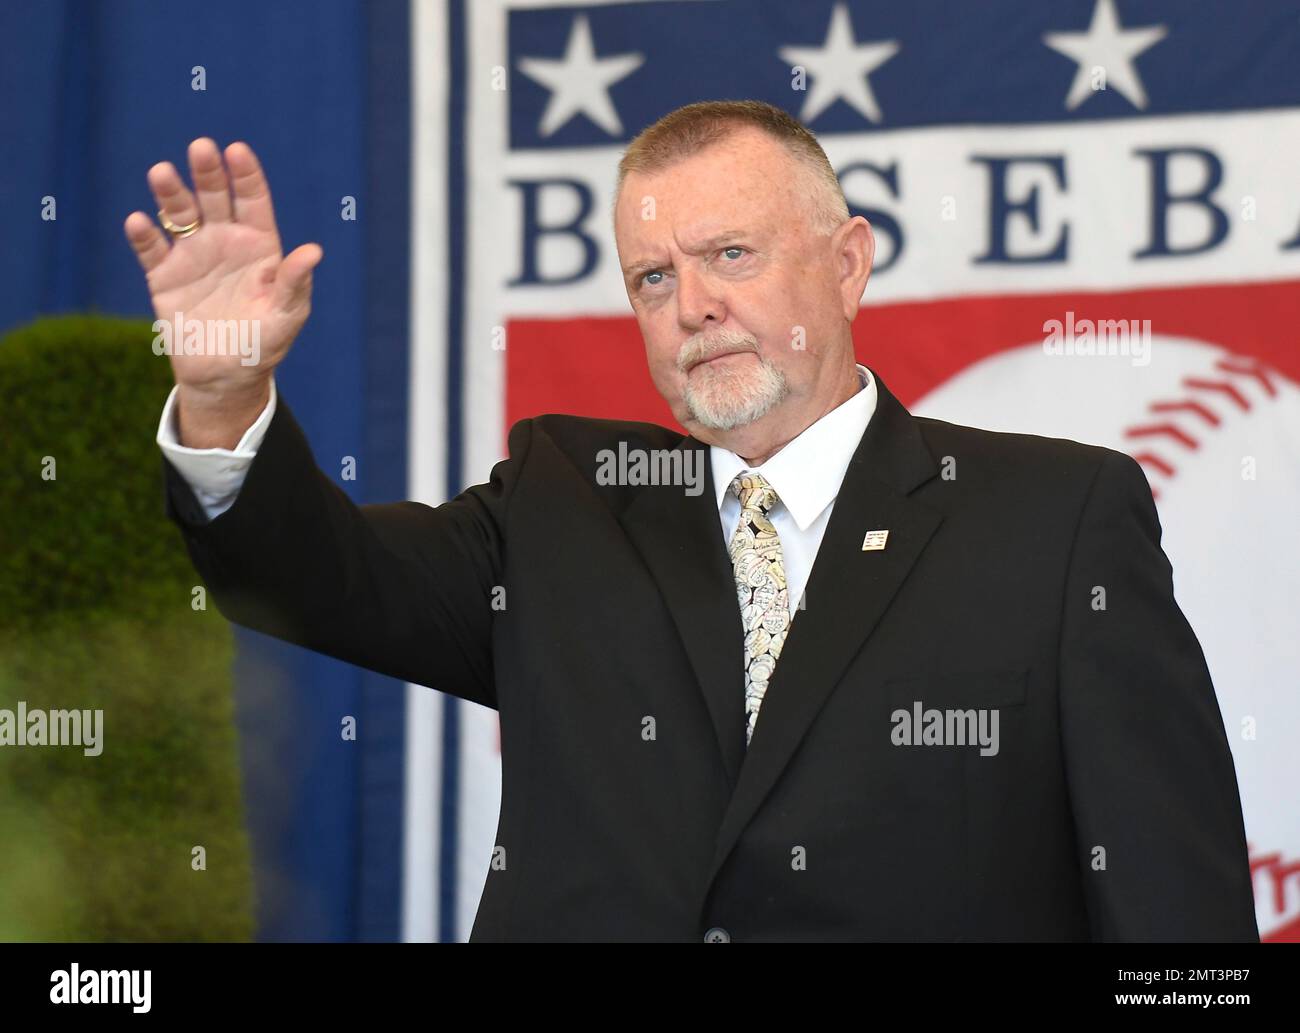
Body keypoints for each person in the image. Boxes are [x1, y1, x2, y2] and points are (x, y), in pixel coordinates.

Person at [124, 100, 1259, 942]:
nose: (694, 307)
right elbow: (314, 575)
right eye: (652, 278)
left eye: (730, 256)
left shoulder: (1057, 520)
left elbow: (1174, 914)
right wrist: (224, 397)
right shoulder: (565, 502)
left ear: (848, 263)